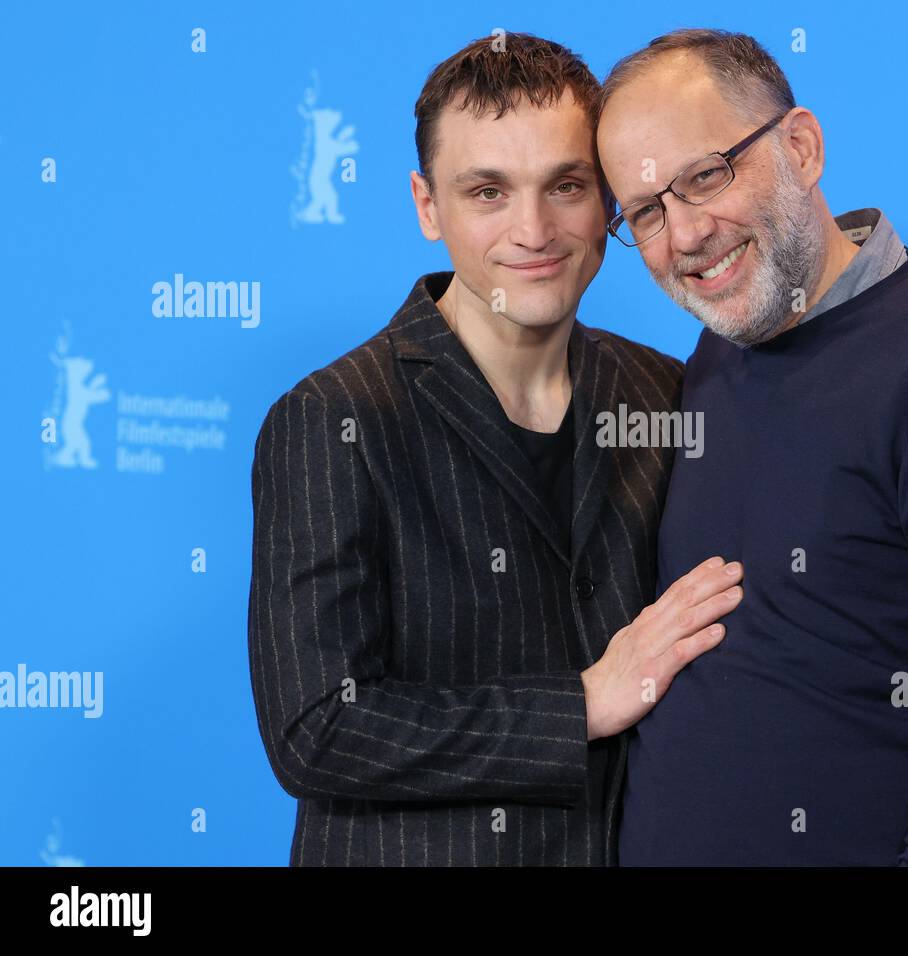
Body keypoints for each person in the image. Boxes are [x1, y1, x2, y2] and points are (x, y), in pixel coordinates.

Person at [247, 32, 743, 867]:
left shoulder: (670, 391)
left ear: (612, 199)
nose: (535, 229)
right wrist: (581, 705)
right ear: (427, 205)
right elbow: (317, 729)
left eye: (567, 186)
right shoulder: (332, 418)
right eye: (487, 191)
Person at [596, 28, 908, 865]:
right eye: (644, 211)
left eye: (705, 176)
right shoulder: (719, 353)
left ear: (802, 147)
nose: (683, 235)